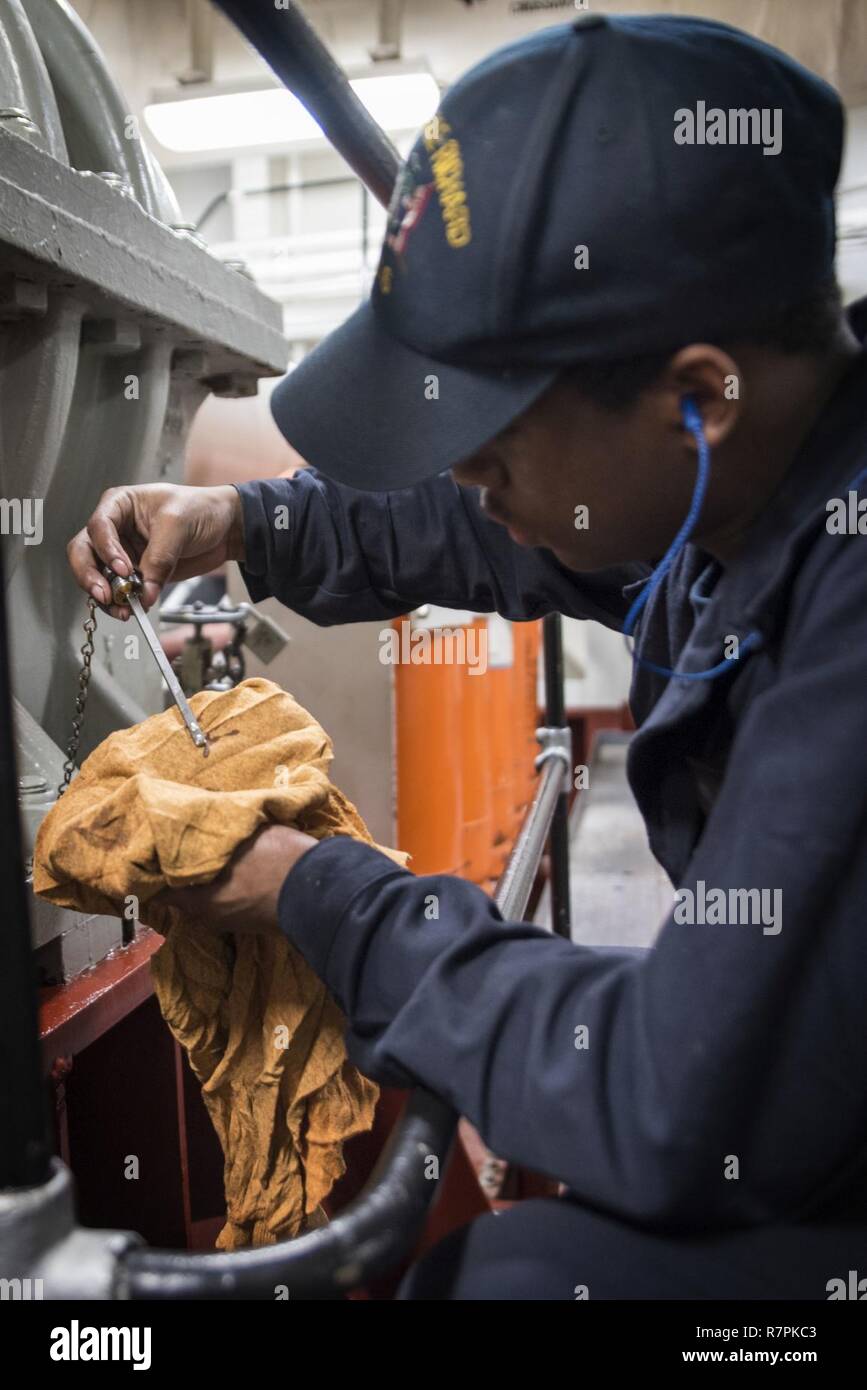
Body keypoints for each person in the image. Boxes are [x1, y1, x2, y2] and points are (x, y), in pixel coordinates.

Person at [67, 15, 867, 1299]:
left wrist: (308, 886)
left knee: (512, 1286)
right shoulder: (737, 493)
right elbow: (503, 534)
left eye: (494, 449)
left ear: (699, 397)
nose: (471, 487)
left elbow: (676, 1102)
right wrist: (244, 519)